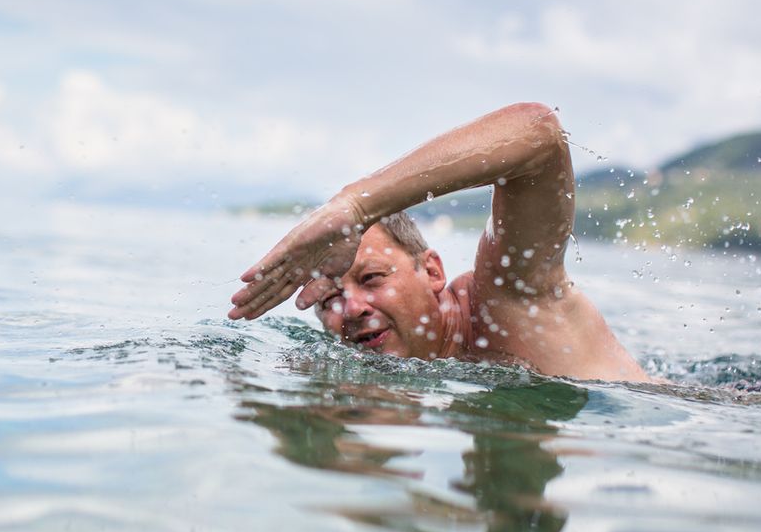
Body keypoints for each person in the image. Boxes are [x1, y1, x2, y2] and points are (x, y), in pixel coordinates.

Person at [228, 102, 651, 382]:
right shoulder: (369, 373)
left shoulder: (503, 303)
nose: (351, 309)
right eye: (328, 300)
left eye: (372, 278)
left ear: (432, 271)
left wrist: (356, 205)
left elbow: (539, 136)